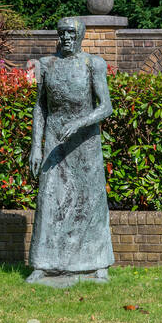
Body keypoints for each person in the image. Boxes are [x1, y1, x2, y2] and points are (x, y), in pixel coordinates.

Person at [26, 17, 114, 286]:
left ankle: (98, 263)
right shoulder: (46, 65)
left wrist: (80, 123)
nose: (66, 38)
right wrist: (35, 148)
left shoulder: (92, 64)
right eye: (62, 33)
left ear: (81, 36)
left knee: (91, 200)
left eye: (71, 33)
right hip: (54, 141)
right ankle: (42, 264)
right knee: (50, 200)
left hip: (85, 143)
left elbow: (106, 106)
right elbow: (40, 108)